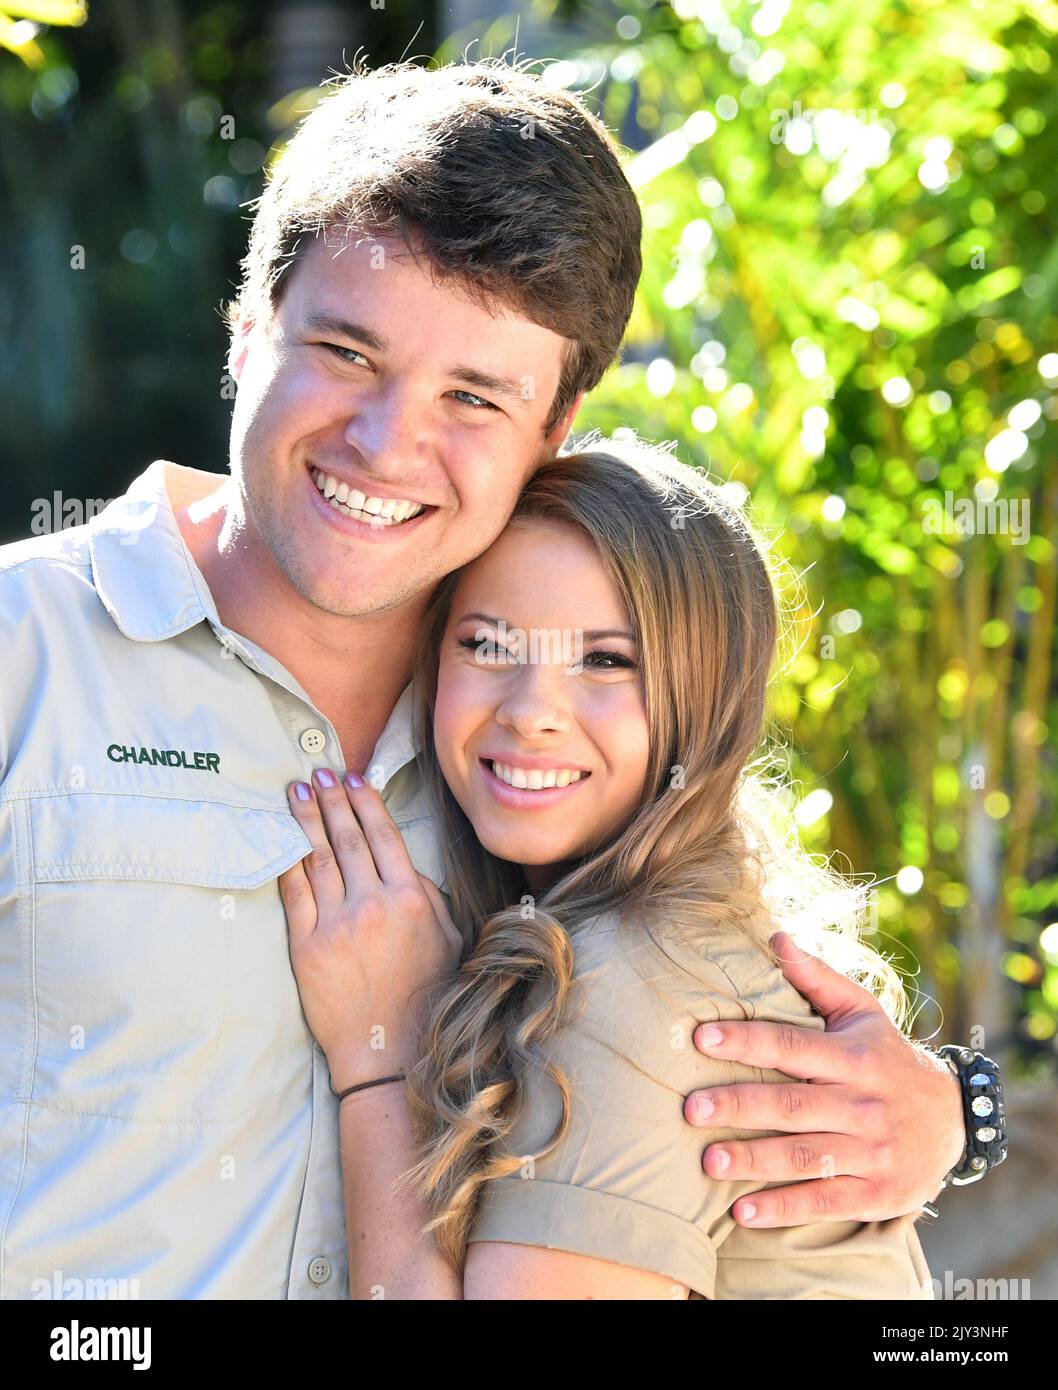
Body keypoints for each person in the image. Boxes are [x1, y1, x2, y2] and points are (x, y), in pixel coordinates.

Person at [0, 59, 968, 1301]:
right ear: (248, 326)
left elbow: (710, 991)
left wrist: (949, 1111)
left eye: (473, 394)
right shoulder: (27, 652)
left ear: (553, 430)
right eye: (347, 352)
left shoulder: (550, 744)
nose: (386, 442)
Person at [280, 439, 938, 1299]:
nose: (531, 714)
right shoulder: (667, 928)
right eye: (488, 645)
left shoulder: (631, 985)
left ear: (704, 696)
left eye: (605, 660)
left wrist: (379, 1059)